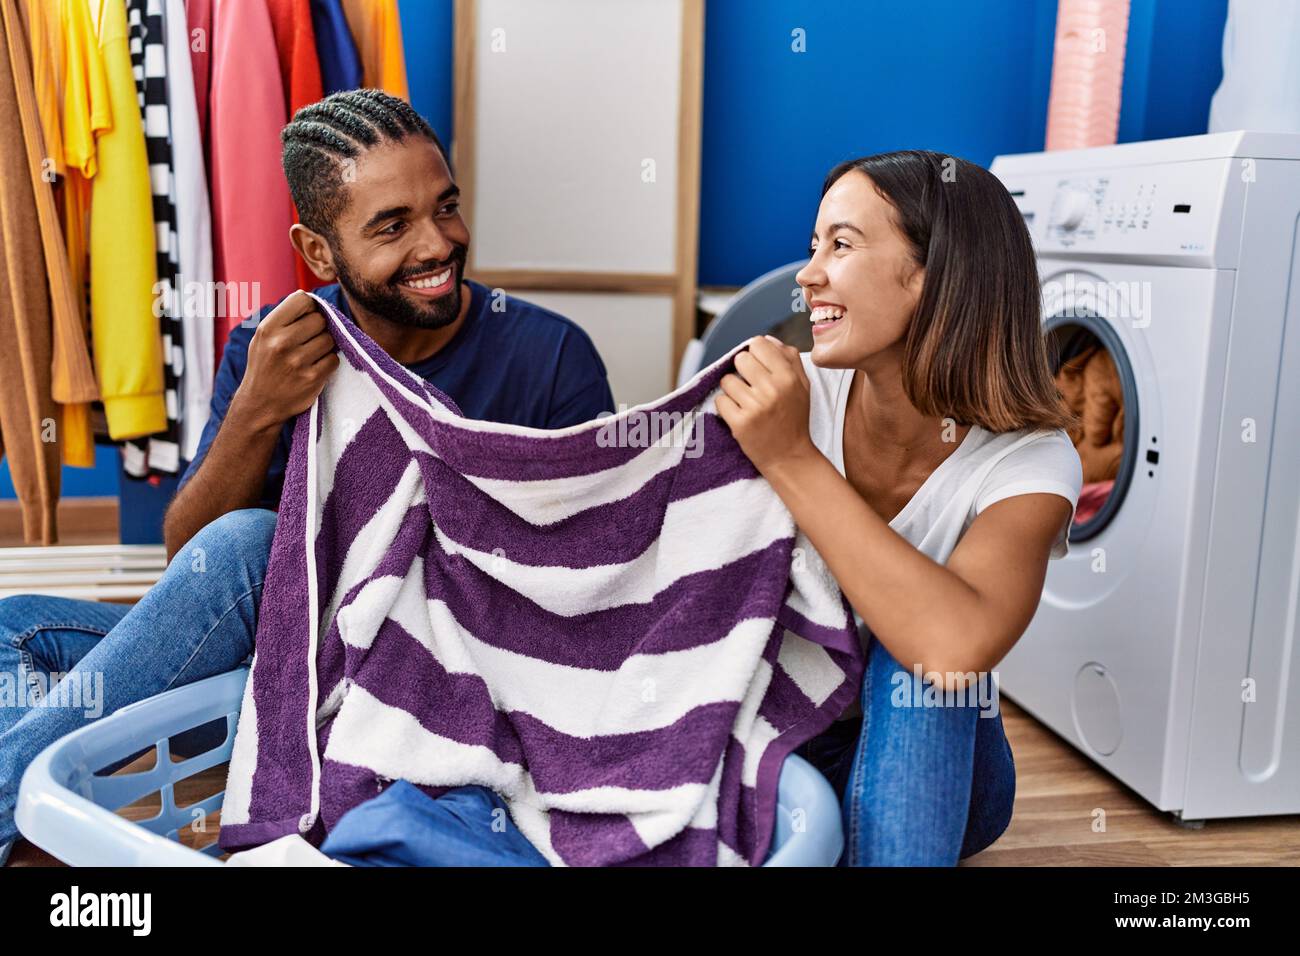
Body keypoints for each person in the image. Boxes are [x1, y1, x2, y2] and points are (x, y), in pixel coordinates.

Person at [0, 89, 614, 864]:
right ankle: (26, 823)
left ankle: (19, 815)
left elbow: (589, 581)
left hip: (447, 657)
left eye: (446, 208)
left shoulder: (550, 357)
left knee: (254, 542)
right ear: (319, 251)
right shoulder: (279, 348)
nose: (438, 245)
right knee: (13, 624)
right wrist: (257, 409)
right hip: (290, 642)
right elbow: (186, 561)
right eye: (392, 226)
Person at [715, 151, 1083, 865]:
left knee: (923, 657)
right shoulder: (796, 400)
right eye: (812, 246)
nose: (807, 272)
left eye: (841, 245)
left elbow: (952, 652)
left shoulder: (1030, 462)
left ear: (934, 276)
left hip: (941, 764)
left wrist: (793, 460)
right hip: (792, 746)